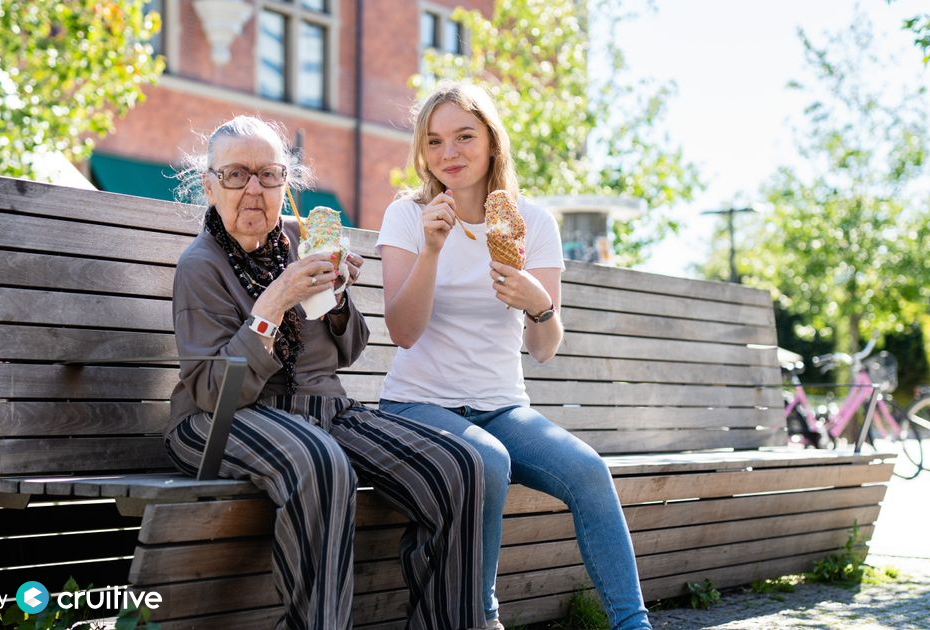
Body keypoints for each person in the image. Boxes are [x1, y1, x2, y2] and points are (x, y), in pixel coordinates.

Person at [165, 115, 487, 630]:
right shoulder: (200, 265)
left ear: (285, 184)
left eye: (269, 175)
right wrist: (273, 303)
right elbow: (210, 389)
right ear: (209, 185)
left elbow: (346, 351)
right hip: (219, 420)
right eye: (235, 175)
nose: (253, 189)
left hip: (323, 412)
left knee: (460, 467)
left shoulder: (303, 241)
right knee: (321, 462)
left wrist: (336, 298)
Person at [376, 82, 652, 630]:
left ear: (492, 141)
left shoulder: (531, 223)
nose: (448, 153)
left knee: (590, 471)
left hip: (502, 407)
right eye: (434, 142)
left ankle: (633, 624)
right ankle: (482, 617)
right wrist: (432, 250)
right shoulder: (409, 217)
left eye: (463, 136)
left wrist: (540, 306)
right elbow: (403, 332)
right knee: (488, 460)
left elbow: (544, 349)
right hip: (417, 406)